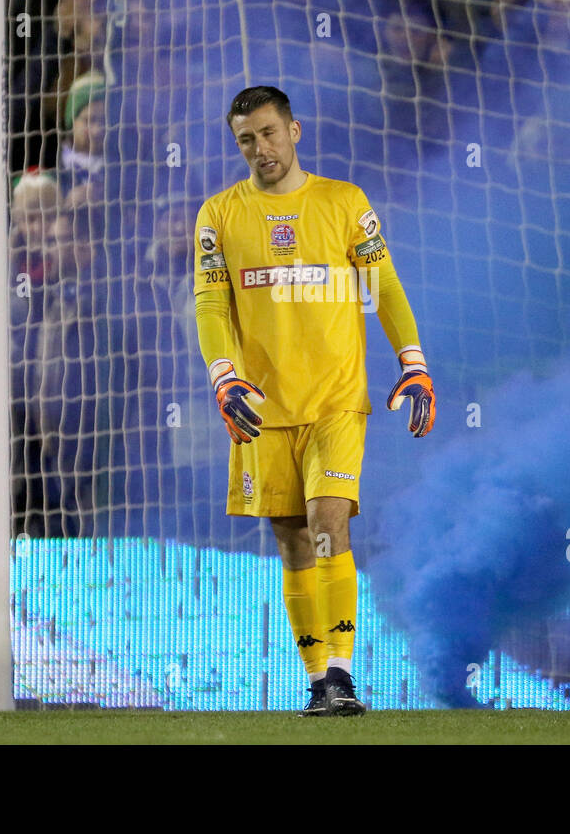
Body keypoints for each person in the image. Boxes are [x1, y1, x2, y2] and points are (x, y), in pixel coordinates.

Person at [193, 86, 436, 716]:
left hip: (335, 400)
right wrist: (224, 375)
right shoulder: (218, 215)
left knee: (329, 522)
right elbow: (212, 304)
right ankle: (317, 680)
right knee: (293, 539)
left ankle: (340, 672)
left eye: (269, 132)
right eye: (246, 138)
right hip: (262, 406)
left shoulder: (344, 202)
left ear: (294, 131)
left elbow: (384, 287)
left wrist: (413, 362)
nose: (260, 148)